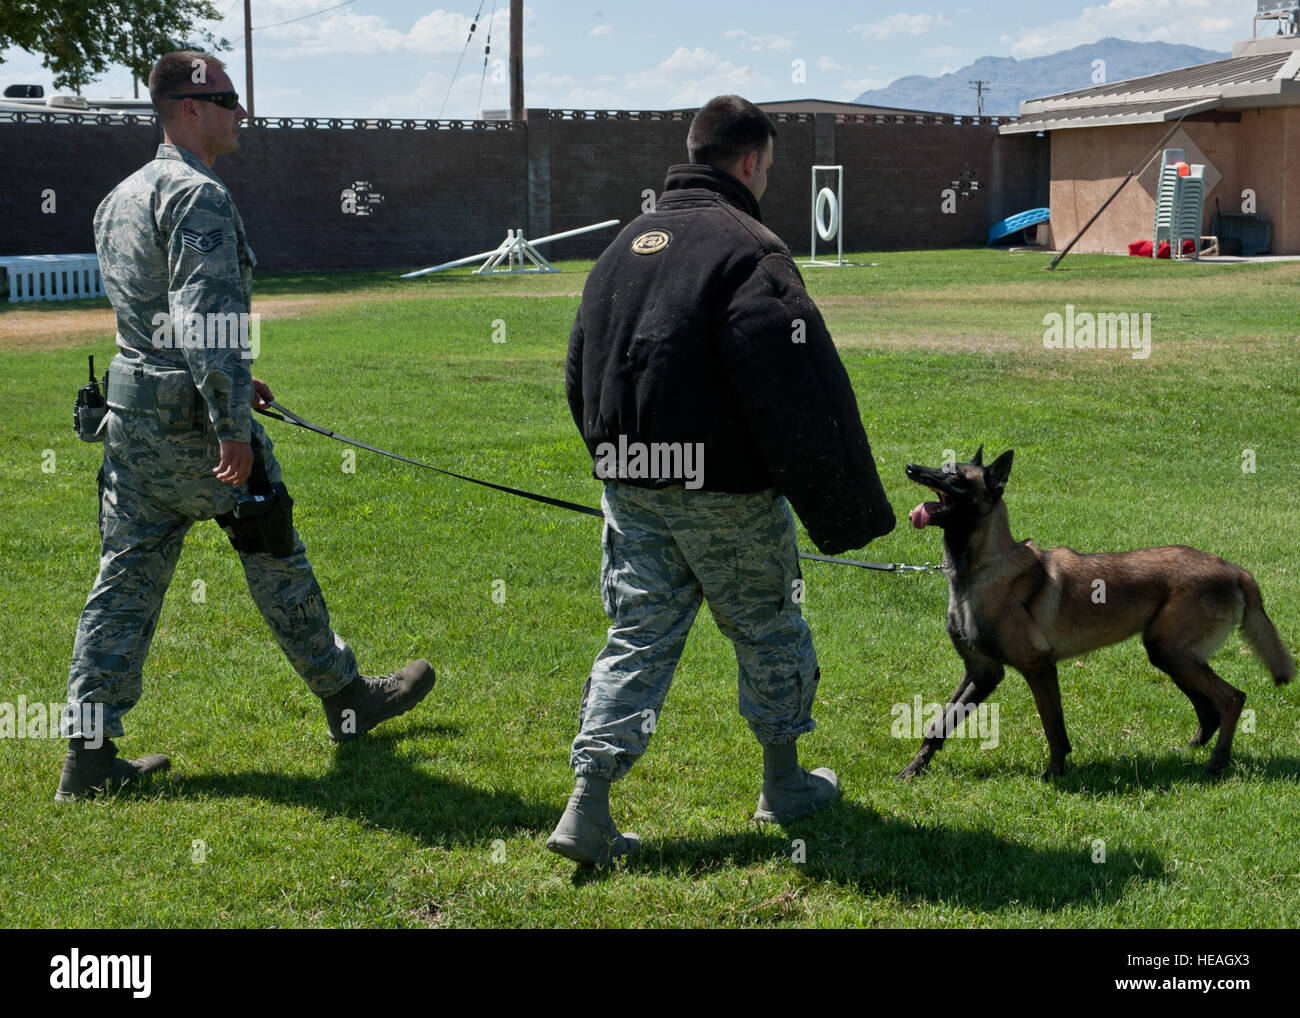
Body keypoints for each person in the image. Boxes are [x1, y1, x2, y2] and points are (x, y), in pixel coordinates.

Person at [57, 51, 436, 802]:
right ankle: (346, 698)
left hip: (133, 422)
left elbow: (154, 322)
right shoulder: (196, 194)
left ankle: (88, 757)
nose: (241, 112)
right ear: (187, 107)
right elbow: (206, 316)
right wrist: (229, 417)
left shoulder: (119, 198)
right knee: (274, 551)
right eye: (227, 99)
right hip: (198, 430)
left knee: (123, 583)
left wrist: (227, 381)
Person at [549, 94, 895, 865]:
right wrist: (845, 506)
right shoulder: (751, 248)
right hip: (722, 490)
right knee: (770, 630)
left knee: (637, 636)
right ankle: (784, 784)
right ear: (750, 161)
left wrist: (616, 459)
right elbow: (798, 386)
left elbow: (581, 366)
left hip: (631, 481)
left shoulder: (625, 243)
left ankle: (587, 806)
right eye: (769, 166)